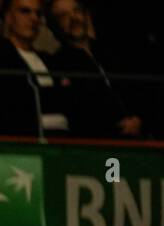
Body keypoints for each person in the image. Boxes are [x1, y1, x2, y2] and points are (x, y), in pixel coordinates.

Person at [46, 0, 142, 138]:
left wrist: (139, 119)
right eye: (63, 15)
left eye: (77, 10)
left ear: (86, 14)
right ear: (55, 24)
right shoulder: (57, 64)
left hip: (144, 141)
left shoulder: (114, 51)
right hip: (101, 146)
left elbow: (143, 90)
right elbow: (77, 112)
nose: (73, 18)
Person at [0, 0, 70, 137]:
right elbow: (14, 106)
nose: (34, 18)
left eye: (38, 13)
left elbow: (73, 100)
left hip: (67, 139)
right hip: (28, 139)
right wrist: (56, 94)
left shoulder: (50, 60)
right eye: (25, 11)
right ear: (9, 17)